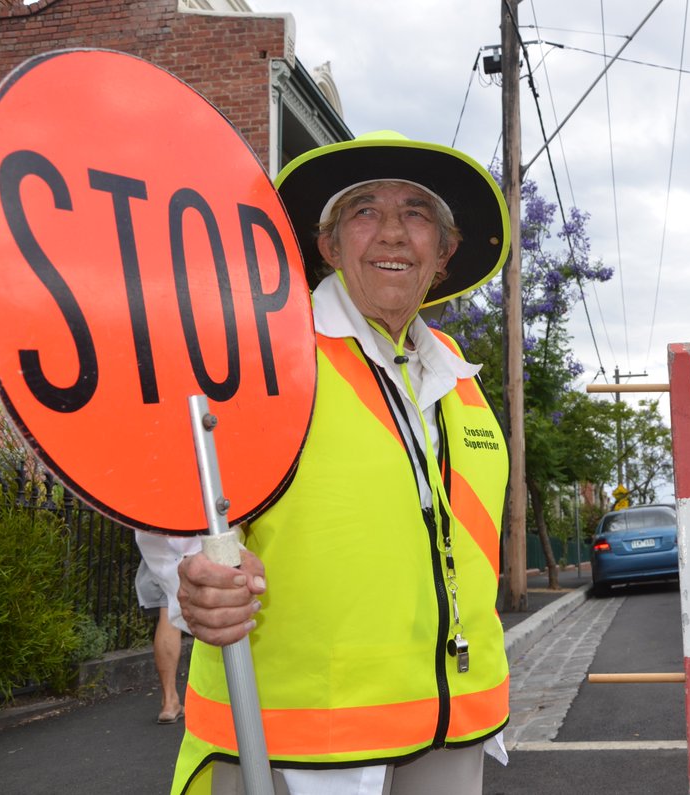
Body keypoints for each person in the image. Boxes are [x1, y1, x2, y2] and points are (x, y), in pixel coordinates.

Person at [169, 131, 512, 795]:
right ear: (328, 247)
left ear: (442, 253)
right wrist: (190, 571)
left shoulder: (457, 374)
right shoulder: (269, 353)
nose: (391, 233)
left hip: (451, 730)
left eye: (416, 214)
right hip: (293, 744)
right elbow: (189, 491)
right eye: (363, 211)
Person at [133, 530, 201, 724]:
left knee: (168, 613)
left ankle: (169, 701)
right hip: (197, 538)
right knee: (212, 611)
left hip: (160, 538)